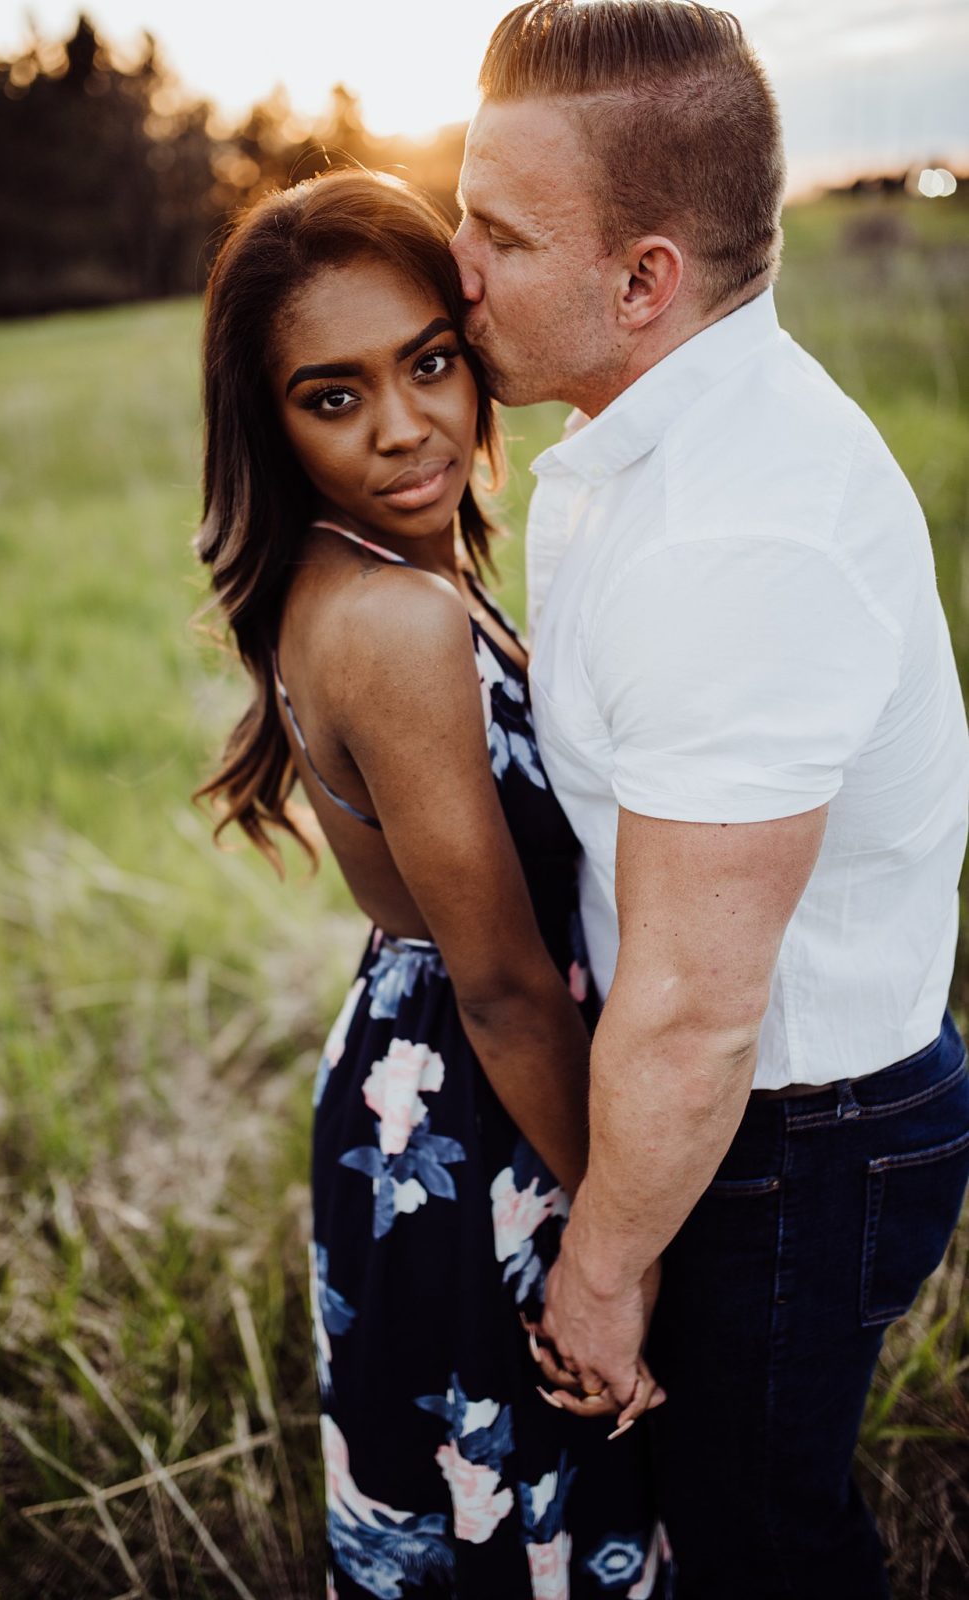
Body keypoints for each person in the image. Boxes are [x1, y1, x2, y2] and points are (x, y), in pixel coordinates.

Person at [451, 3, 969, 1596]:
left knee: (763, 1544)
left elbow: (694, 1008)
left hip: (796, 1139)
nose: (453, 264)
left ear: (643, 280)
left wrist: (599, 1276)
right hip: (740, 1120)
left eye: (497, 233)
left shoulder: (738, 537)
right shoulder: (648, 440)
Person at [195, 169, 671, 1600]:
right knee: (524, 1516)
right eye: (332, 397)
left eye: (430, 363)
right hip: (477, 1119)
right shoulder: (390, 617)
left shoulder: (383, 565)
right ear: (266, 423)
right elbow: (510, 986)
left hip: (435, 1091)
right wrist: (620, 1248)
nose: (404, 427)